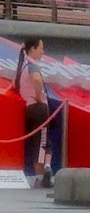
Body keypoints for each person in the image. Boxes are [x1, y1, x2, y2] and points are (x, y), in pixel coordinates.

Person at [13, 36, 62, 187]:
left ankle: (42, 173)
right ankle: (42, 174)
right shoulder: (31, 64)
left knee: (39, 141)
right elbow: (37, 80)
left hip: (30, 108)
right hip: (38, 107)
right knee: (42, 142)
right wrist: (39, 96)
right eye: (41, 48)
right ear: (33, 49)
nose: (43, 51)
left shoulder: (22, 65)